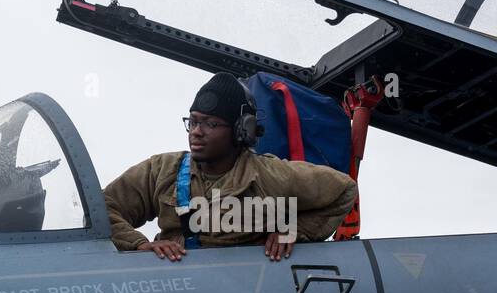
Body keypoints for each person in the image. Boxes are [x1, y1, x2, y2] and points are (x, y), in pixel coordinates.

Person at [104, 72, 357, 261]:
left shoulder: (270, 176)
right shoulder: (162, 170)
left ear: (241, 130)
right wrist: (138, 244)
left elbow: (344, 189)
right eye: (192, 122)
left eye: (210, 124)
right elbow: (105, 206)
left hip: (244, 290)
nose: (196, 132)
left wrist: (294, 232)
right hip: (177, 285)